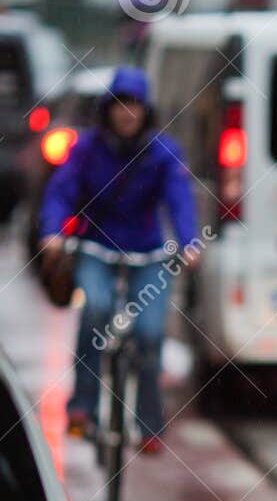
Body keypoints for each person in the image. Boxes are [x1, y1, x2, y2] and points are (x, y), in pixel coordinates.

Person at [38, 66, 199, 455]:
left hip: (148, 252)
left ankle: (148, 425)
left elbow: (179, 199)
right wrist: (52, 232)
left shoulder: (164, 152)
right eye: (120, 105)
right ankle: (82, 408)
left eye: (135, 106)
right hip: (96, 248)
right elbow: (62, 190)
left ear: (147, 111)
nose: (127, 114)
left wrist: (190, 241)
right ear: (107, 109)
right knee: (95, 309)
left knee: (149, 333)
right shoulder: (86, 149)